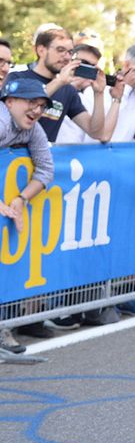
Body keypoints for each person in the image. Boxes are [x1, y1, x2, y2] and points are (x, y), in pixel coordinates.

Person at [0, 78, 55, 355]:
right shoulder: (1, 120)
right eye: (31, 103)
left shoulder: (34, 129)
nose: (37, 110)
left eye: (42, 105)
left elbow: (46, 169)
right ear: (9, 102)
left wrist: (21, 199)